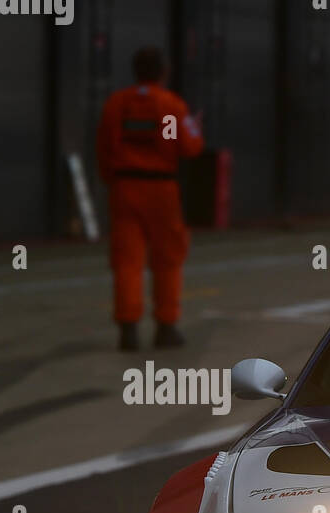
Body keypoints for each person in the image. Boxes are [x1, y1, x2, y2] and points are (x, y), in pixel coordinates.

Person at [96, 46, 203, 351]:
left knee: (127, 261)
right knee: (167, 259)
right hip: (161, 191)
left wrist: (112, 181)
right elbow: (187, 147)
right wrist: (193, 128)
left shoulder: (116, 104)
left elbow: (103, 146)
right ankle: (165, 328)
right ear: (164, 71)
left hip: (124, 189)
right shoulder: (169, 105)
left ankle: (128, 331)